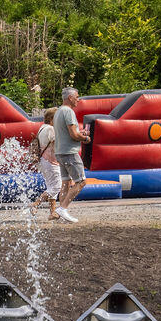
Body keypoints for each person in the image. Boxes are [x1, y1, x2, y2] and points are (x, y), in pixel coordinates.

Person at [53, 87, 91, 223]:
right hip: (70, 152)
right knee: (81, 181)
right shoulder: (68, 111)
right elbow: (73, 135)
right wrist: (85, 138)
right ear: (70, 98)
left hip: (59, 152)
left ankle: (58, 214)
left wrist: (80, 133)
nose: (78, 99)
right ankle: (62, 209)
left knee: (65, 183)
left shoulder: (58, 111)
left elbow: (69, 132)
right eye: (77, 97)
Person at [31, 108, 61, 220]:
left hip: (44, 161)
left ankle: (52, 213)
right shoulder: (51, 129)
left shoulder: (41, 128)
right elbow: (57, 143)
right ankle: (36, 203)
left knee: (50, 186)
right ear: (52, 119)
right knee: (57, 186)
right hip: (51, 161)